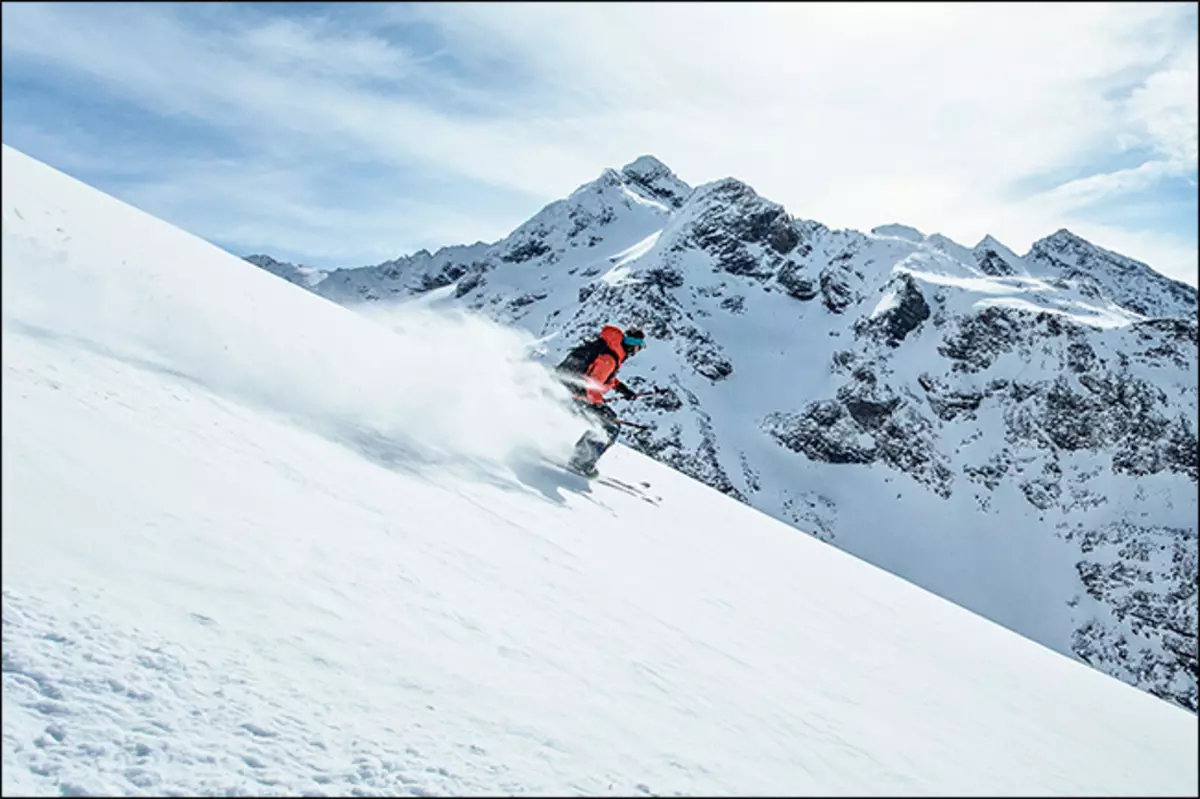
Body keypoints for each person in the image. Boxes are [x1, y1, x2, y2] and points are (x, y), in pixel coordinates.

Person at [554, 324, 646, 477]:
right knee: (610, 426)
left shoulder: (612, 352)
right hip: (575, 396)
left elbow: (604, 376)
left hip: (573, 392)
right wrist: (599, 406)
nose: (639, 350)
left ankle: (581, 457)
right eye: (640, 346)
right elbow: (592, 385)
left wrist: (622, 388)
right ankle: (581, 461)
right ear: (633, 345)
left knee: (605, 423)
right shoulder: (609, 358)